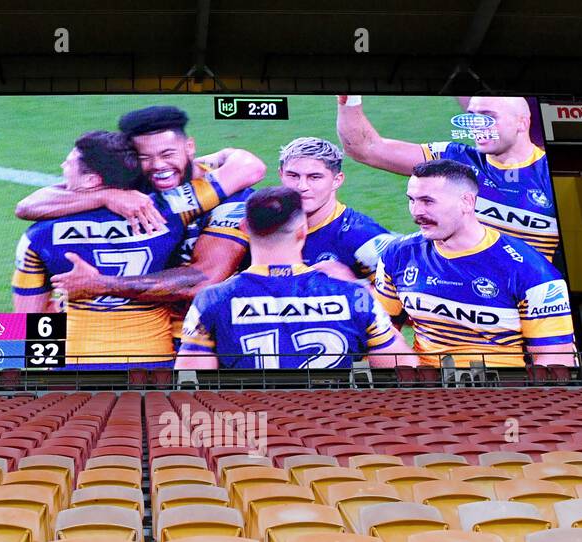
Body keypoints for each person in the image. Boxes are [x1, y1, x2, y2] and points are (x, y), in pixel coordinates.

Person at [11, 131, 235, 367]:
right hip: (153, 365)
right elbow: (247, 169)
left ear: (91, 180)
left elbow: (29, 322)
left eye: (70, 162)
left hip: (74, 366)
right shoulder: (169, 211)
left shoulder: (38, 236)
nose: (63, 165)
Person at [40, 106, 262, 327]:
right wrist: (105, 197)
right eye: (144, 157)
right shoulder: (126, 189)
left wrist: (100, 284)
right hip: (140, 335)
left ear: (189, 147)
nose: (158, 166)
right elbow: (27, 205)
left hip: (201, 333)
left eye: (168, 154)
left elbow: (204, 280)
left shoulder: (232, 197)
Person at [176, 187, 414, 371]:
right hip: (332, 429)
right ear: (302, 230)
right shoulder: (356, 298)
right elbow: (405, 371)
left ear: (244, 227)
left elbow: (193, 387)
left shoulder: (212, 300)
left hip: (254, 427)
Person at [372, 159, 575, 369]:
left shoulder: (531, 270)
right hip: (426, 387)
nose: (416, 212)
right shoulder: (398, 255)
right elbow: (380, 334)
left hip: (503, 390)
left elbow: (555, 360)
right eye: (412, 200)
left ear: (467, 202)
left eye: (428, 201)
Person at [337, 95, 559, 262]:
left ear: (521, 123)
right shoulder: (454, 158)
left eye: (489, 118)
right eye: (472, 117)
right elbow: (365, 148)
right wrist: (349, 100)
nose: (477, 126)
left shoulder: (552, 174)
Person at [276, 136, 396, 282]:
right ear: (281, 175)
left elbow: (404, 296)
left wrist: (351, 284)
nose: (302, 186)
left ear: (336, 180)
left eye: (314, 177)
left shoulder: (363, 236)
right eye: (293, 176)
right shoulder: (264, 226)